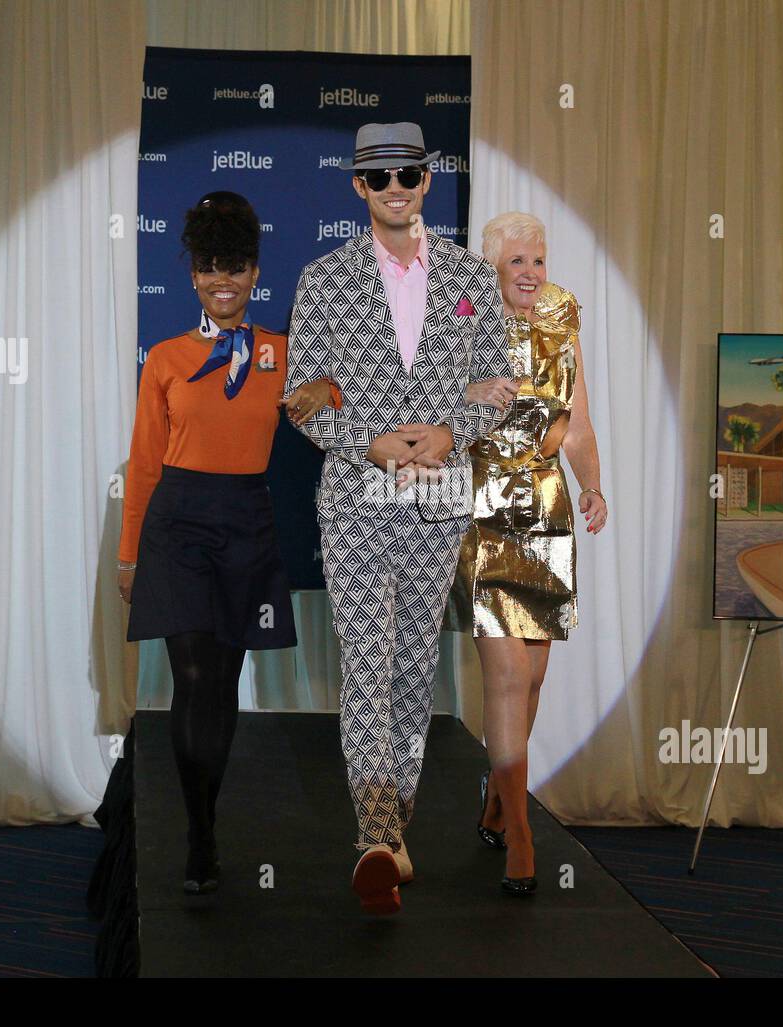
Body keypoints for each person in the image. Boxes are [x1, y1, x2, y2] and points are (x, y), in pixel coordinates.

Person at [285, 122, 513, 915]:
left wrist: (453, 429)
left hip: (438, 502)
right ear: (357, 186)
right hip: (356, 499)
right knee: (369, 661)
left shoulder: (471, 279)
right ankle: (374, 835)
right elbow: (301, 397)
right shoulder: (322, 280)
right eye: (378, 178)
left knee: (415, 670)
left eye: (407, 175)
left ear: (426, 181)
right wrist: (369, 441)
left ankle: (396, 830)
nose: (394, 190)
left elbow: (500, 385)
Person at [118, 191, 339, 894]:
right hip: (178, 524)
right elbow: (145, 461)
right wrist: (129, 554)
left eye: (235, 267)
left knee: (222, 682)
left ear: (254, 273)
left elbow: (340, 394)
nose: (223, 281)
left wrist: (323, 388)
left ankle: (205, 821)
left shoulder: (281, 352)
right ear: (192, 275)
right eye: (210, 267)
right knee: (191, 678)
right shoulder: (166, 358)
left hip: (247, 522)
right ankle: (200, 835)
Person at [447, 211, 608, 895]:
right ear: (490, 268)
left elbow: (576, 416)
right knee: (508, 676)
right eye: (517, 261)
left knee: (535, 680)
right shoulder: (455, 317)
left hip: (545, 507)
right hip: (481, 507)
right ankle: (521, 833)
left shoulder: (562, 310)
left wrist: (592, 484)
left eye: (537, 260)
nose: (531, 273)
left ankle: (495, 799)